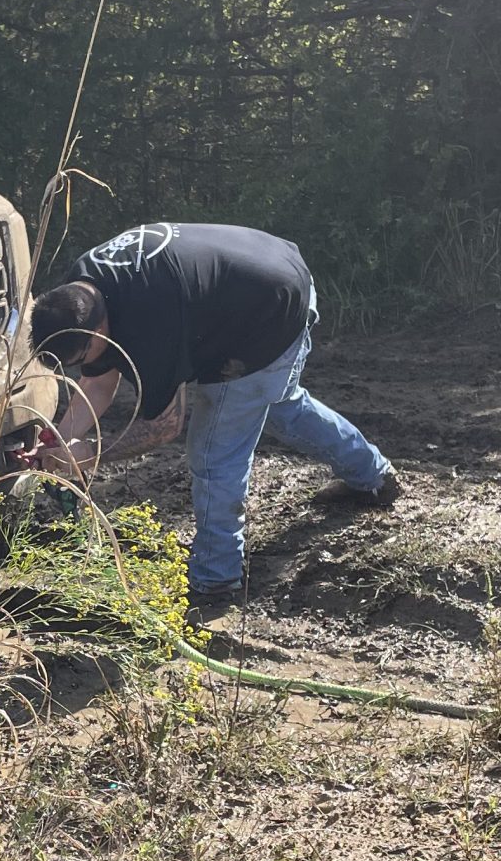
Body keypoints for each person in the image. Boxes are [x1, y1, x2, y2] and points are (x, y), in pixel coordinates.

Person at [28, 221, 397, 610]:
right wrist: (59, 437)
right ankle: (373, 476)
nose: (77, 368)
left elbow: (164, 426)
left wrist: (90, 453)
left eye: (79, 357)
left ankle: (215, 579)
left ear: (99, 331)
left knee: (213, 450)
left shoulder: (150, 324)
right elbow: (99, 380)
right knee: (280, 404)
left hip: (268, 314)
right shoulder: (79, 292)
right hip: (270, 271)